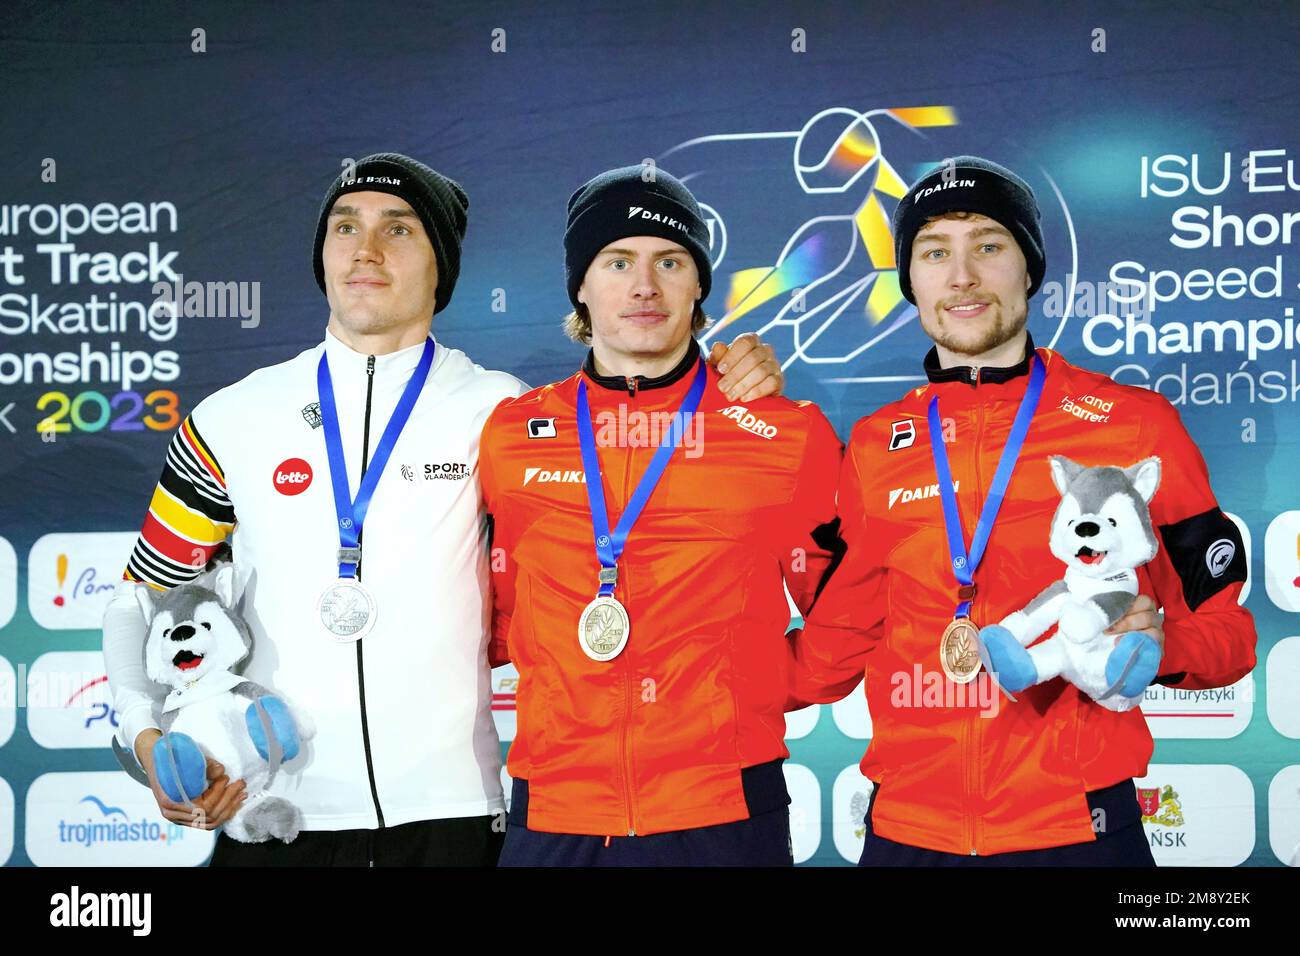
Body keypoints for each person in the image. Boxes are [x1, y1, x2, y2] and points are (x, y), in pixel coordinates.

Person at [102, 152, 782, 866]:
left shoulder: (507, 417)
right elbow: (140, 599)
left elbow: (654, 468)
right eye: (344, 226)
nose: (365, 249)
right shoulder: (231, 418)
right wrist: (146, 739)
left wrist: (731, 379)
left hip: (453, 818)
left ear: (441, 267)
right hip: (276, 816)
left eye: (398, 229)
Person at [789, 155, 1257, 866]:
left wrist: (1159, 649)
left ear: (1028, 268)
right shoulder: (876, 444)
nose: (962, 276)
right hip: (908, 832)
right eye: (934, 252)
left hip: (1076, 829)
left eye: (988, 246)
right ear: (910, 281)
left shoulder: (1134, 427)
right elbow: (832, 645)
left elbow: (1230, 634)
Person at [479, 167, 845, 866]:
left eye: (670, 262)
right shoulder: (512, 432)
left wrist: (762, 687)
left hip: (725, 808)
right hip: (555, 807)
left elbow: (848, 600)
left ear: (698, 284)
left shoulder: (782, 433)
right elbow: (496, 608)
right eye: (618, 262)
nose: (644, 286)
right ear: (581, 287)